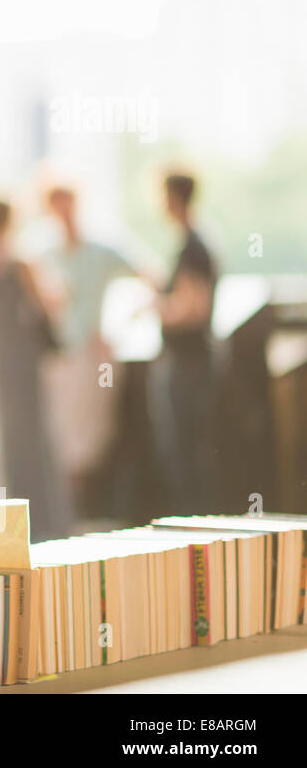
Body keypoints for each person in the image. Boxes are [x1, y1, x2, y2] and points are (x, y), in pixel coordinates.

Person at [0, 199, 74, 541]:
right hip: (25, 366)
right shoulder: (21, 264)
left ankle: (15, 520)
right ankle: (46, 521)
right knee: (37, 440)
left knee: (9, 442)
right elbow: (47, 308)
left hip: (0, 367)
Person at [37, 184, 139, 514]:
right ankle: (69, 514)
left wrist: (116, 331)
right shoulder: (41, 255)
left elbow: (150, 280)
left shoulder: (103, 250)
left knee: (97, 438)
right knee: (64, 442)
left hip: (94, 361)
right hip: (60, 363)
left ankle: (99, 511)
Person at [147, 170, 219, 514]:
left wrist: (153, 306)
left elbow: (193, 309)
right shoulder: (192, 243)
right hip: (186, 361)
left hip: (188, 363)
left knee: (188, 451)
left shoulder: (194, 246)